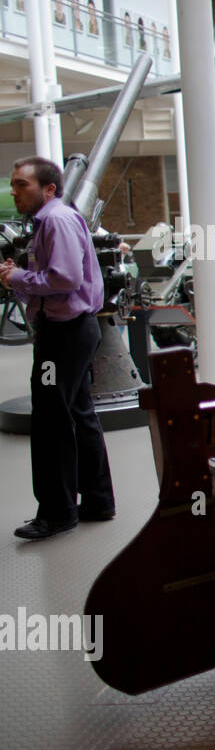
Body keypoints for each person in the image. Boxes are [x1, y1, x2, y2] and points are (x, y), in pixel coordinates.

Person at [0, 157, 115, 540]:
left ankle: (56, 512)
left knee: (50, 420)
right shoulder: (53, 221)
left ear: (49, 189)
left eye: (22, 184)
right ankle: (97, 501)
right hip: (73, 331)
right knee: (79, 413)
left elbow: (64, 278)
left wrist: (17, 276)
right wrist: (20, 278)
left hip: (63, 335)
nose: (14, 192)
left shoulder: (55, 220)